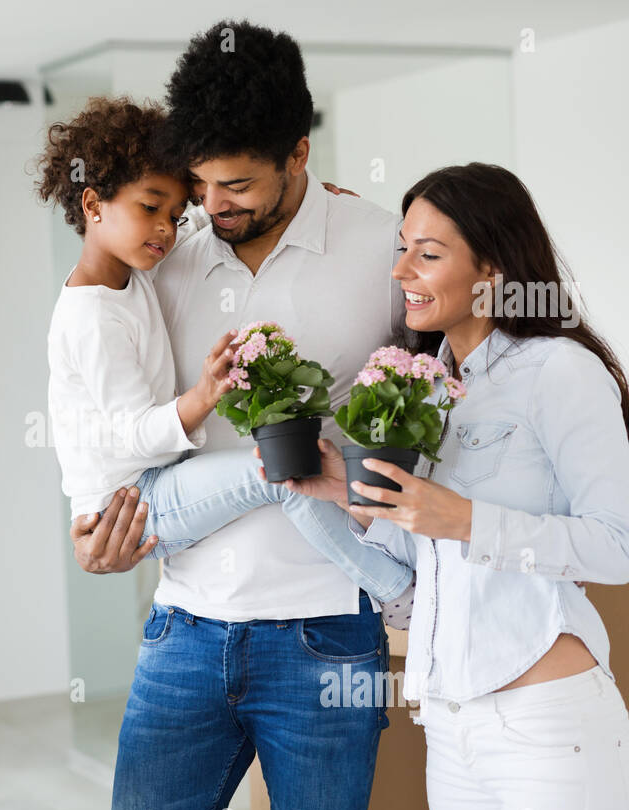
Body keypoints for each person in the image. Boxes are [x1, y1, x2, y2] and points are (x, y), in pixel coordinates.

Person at [70, 21, 422, 810]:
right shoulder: (165, 257)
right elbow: (109, 416)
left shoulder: (383, 248)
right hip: (182, 630)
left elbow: (426, 424)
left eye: (235, 185)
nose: (209, 205)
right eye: (197, 183)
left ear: (298, 153)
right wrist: (94, 525)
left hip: (329, 636)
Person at [271, 162, 629, 810]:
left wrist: (465, 518)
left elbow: (616, 547)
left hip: (547, 723)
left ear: (494, 270)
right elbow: (422, 574)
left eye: (429, 253)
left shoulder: (558, 372)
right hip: (449, 728)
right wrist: (347, 496)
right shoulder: (425, 390)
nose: (401, 271)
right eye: (401, 248)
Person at [36, 94, 413, 605]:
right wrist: (206, 393)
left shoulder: (139, 266)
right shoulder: (94, 315)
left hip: (181, 506)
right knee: (277, 473)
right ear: (92, 205)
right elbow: (133, 435)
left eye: (176, 210)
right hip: (132, 507)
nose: (170, 227)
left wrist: (319, 200)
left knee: (281, 468)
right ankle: (399, 592)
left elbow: (194, 220)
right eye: (153, 208)